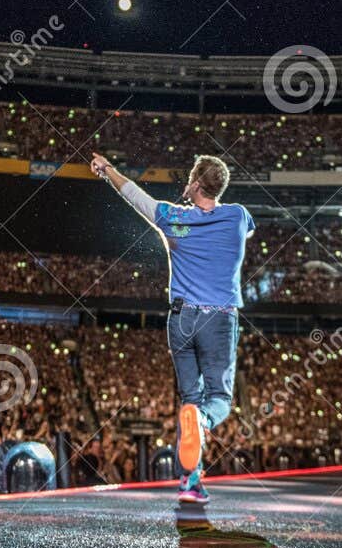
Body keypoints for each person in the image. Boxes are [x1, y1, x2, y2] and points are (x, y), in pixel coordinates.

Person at [91, 152, 254, 505]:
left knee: (189, 400)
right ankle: (205, 422)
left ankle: (189, 482)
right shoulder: (238, 216)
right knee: (219, 400)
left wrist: (108, 171)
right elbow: (241, 233)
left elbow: (135, 196)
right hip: (219, 319)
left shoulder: (171, 218)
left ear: (195, 183)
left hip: (180, 318)